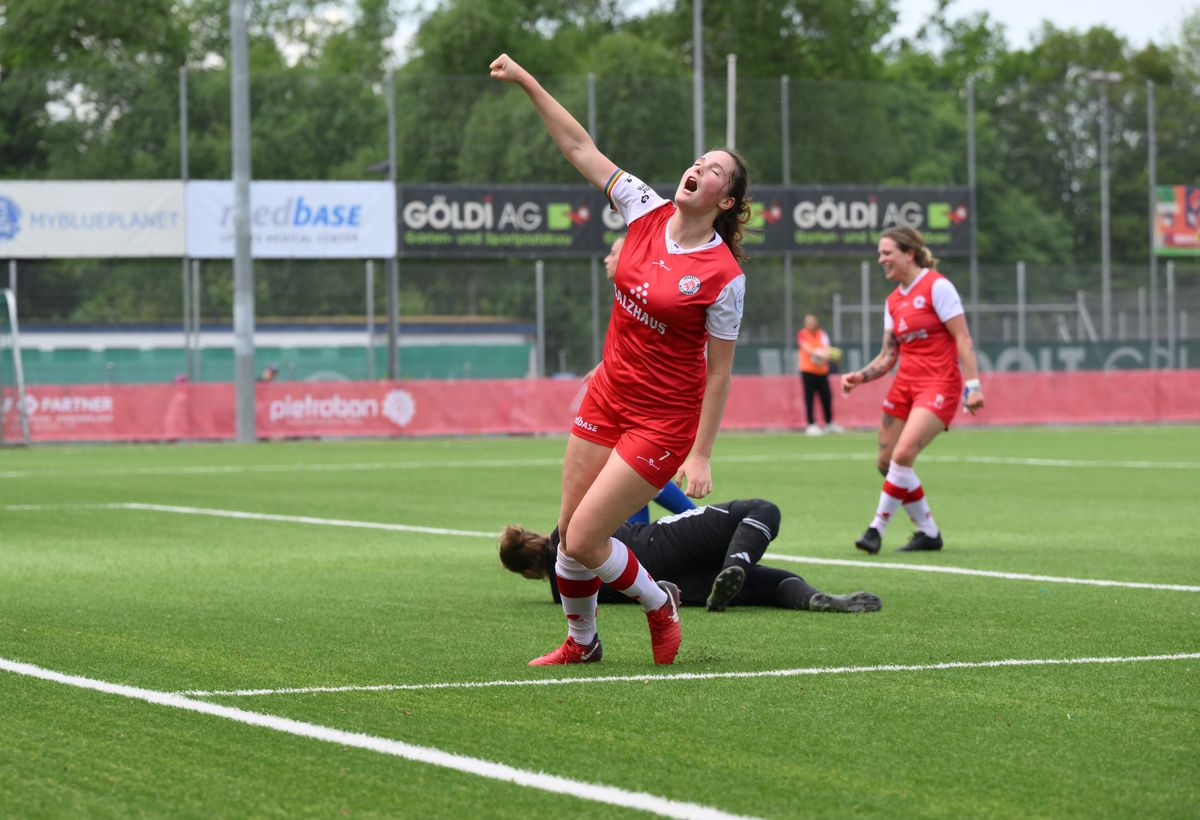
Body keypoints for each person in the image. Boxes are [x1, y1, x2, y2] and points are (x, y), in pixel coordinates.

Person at [489, 53, 750, 666]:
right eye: (698, 160)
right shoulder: (643, 208)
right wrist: (529, 82)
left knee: (583, 539)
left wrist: (702, 451)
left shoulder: (724, 276)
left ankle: (659, 603)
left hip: (663, 419)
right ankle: (583, 643)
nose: (698, 168)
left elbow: (719, 370)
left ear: (728, 200)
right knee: (565, 540)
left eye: (714, 170)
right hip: (608, 395)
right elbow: (580, 146)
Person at [841, 227, 985, 554]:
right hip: (904, 385)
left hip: (939, 386)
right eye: (880, 254)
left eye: (887, 253)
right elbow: (889, 354)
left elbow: (963, 338)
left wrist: (973, 385)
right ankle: (928, 532)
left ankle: (876, 529)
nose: (881, 260)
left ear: (910, 253)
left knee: (902, 455)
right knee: (885, 462)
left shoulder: (938, 287)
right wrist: (859, 377)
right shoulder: (893, 301)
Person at [500, 499, 881, 617]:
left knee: (759, 586)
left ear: (531, 571)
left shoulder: (565, 590)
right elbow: (635, 492)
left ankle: (740, 572)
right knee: (761, 511)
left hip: (664, 588)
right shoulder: (571, 526)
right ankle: (743, 565)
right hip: (665, 541)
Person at [603, 235, 697, 526]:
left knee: (637, 473)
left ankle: (702, 522)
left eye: (612, 252)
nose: (606, 258)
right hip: (633, 401)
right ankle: (648, 545)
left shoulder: (651, 297)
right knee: (631, 477)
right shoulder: (630, 297)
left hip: (651, 405)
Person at [796, 313, 842, 435]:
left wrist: (825, 355)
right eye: (808, 322)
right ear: (805, 323)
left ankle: (829, 423)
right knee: (809, 398)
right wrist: (817, 354)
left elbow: (827, 349)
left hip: (822, 371)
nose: (811, 324)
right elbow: (805, 347)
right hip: (808, 371)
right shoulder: (802, 334)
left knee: (827, 397)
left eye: (813, 321)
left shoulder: (822, 334)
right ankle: (811, 424)